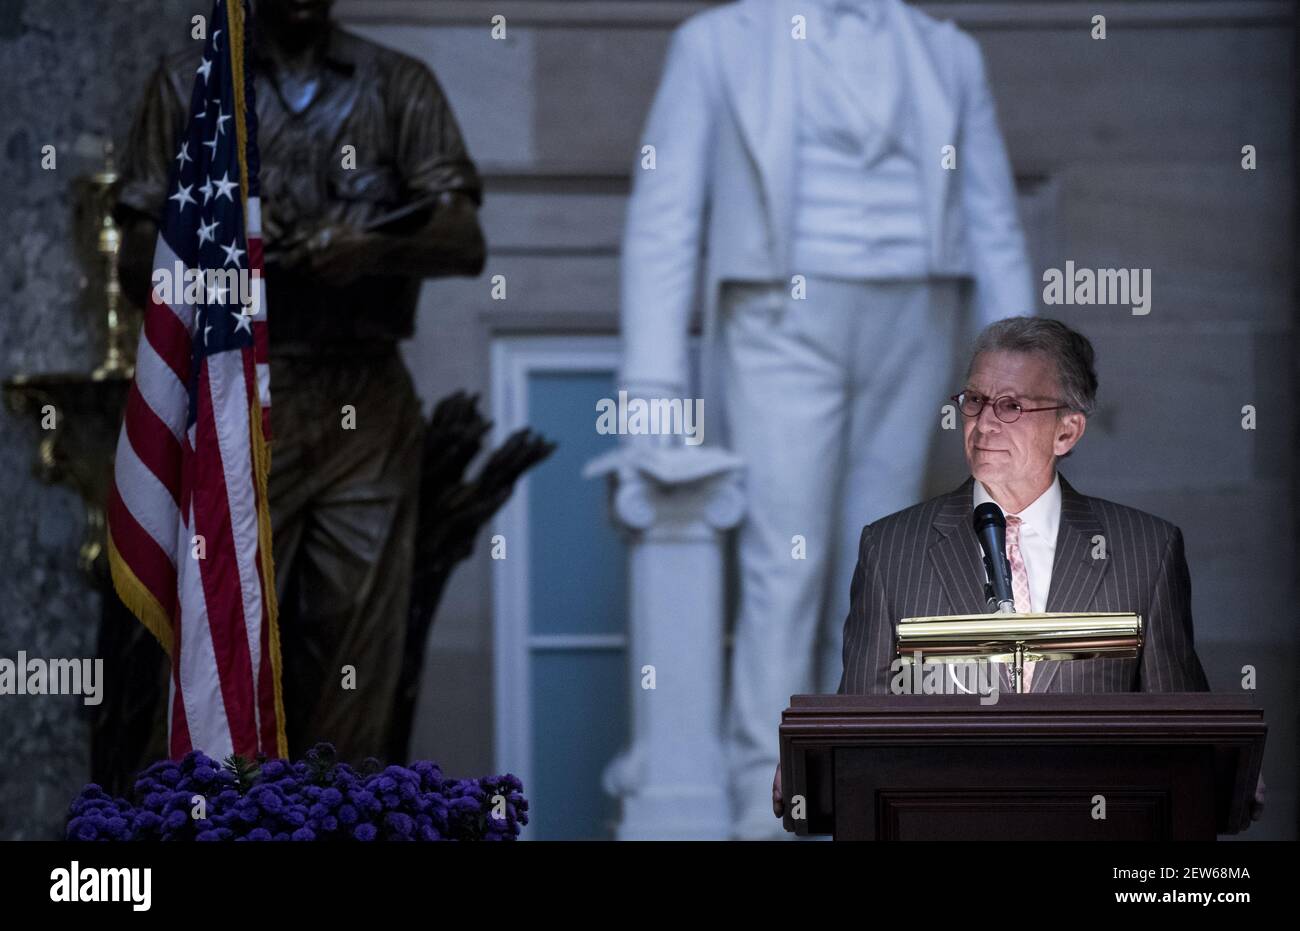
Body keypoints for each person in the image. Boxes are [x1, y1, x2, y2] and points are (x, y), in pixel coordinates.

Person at [620, 0, 1033, 837]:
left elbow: (994, 220)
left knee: (879, 558)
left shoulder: (944, 52)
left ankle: (864, 775)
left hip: (914, 314)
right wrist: (653, 385)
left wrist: (1028, 378)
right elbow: (666, 221)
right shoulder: (716, 44)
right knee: (784, 563)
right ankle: (763, 788)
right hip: (780, 314)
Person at [115, 0, 485, 760]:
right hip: (238, 390)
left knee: (358, 645)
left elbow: (463, 237)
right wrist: (238, 258)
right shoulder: (190, 84)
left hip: (366, 397)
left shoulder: (397, 85)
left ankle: (338, 817)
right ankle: (206, 816)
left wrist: (368, 249)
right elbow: (132, 256)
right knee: (221, 636)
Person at [772, 316, 1254, 820]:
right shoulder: (891, 548)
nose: (983, 424)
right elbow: (862, 726)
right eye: (975, 401)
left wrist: (1223, 771)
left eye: (1011, 406)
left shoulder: (1145, 550)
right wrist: (818, 765)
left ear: (1066, 431)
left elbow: (1180, 727)